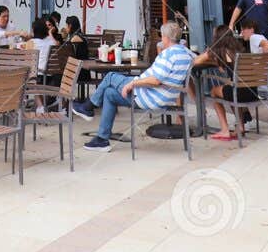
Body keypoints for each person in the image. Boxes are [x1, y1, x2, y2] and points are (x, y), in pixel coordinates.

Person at [72, 21, 198, 153]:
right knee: (109, 93)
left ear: (165, 37)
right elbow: (196, 59)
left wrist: (132, 84)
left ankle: (88, 107)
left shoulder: (168, 54)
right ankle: (102, 140)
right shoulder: (186, 53)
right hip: (163, 95)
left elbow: (155, 80)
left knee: (110, 76)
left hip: (151, 95)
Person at [209, 17, 268, 141]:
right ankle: (240, 126)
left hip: (240, 94)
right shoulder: (241, 50)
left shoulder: (220, 51)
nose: (241, 33)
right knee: (233, 88)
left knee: (214, 91)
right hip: (254, 92)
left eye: (243, 30)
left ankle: (225, 130)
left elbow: (216, 68)